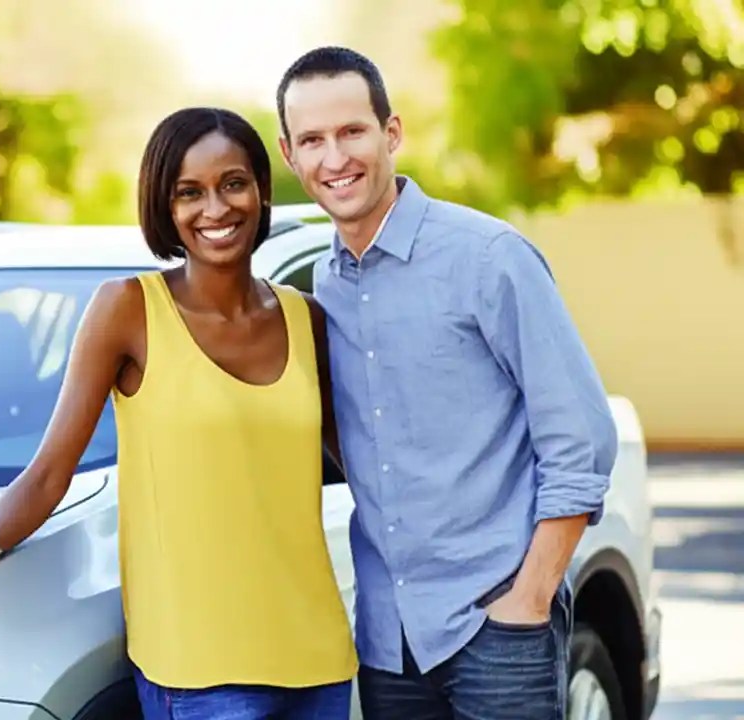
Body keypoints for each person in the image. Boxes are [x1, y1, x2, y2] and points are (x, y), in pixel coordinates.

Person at [0, 106, 358, 719]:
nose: (215, 209)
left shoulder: (308, 318)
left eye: (233, 184)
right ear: (164, 208)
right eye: (189, 193)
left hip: (319, 657)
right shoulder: (129, 310)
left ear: (263, 190)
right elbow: (48, 474)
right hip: (199, 671)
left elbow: (364, 466)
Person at [274, 46, 618, 719]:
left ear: (391, 133)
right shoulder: (327, 281)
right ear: (290, 156)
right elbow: (361, 432)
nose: (335, 158)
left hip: (498, 623)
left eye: (352, 132)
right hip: (389, 636)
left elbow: (581, 436)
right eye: (313, 140)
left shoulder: (488, 258)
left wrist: (530, 597)